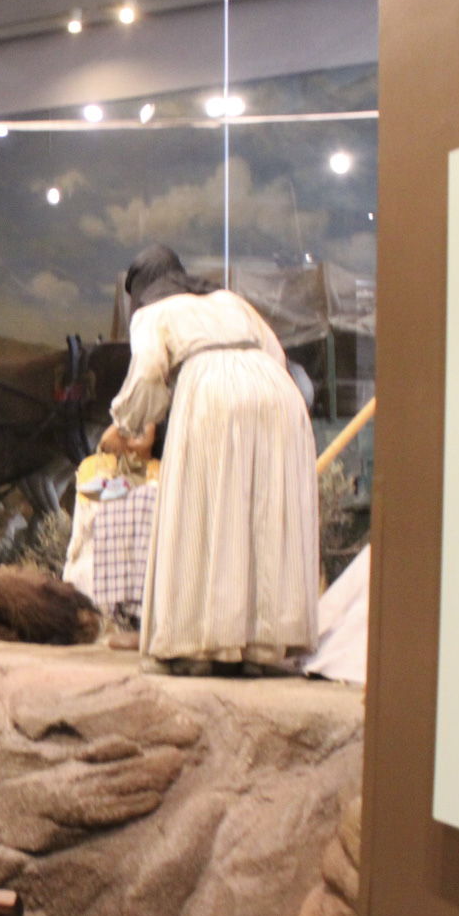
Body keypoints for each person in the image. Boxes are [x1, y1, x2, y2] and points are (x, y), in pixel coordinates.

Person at [99, 244, 319, 675]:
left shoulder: (155, 313)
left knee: (201, 512)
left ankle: (200, 645)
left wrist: (126, 420)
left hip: (214, 393)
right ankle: (263, 644)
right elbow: (277, 355)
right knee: (263, 514)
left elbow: (146, 374)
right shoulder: (231, 301)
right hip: (277, 394)